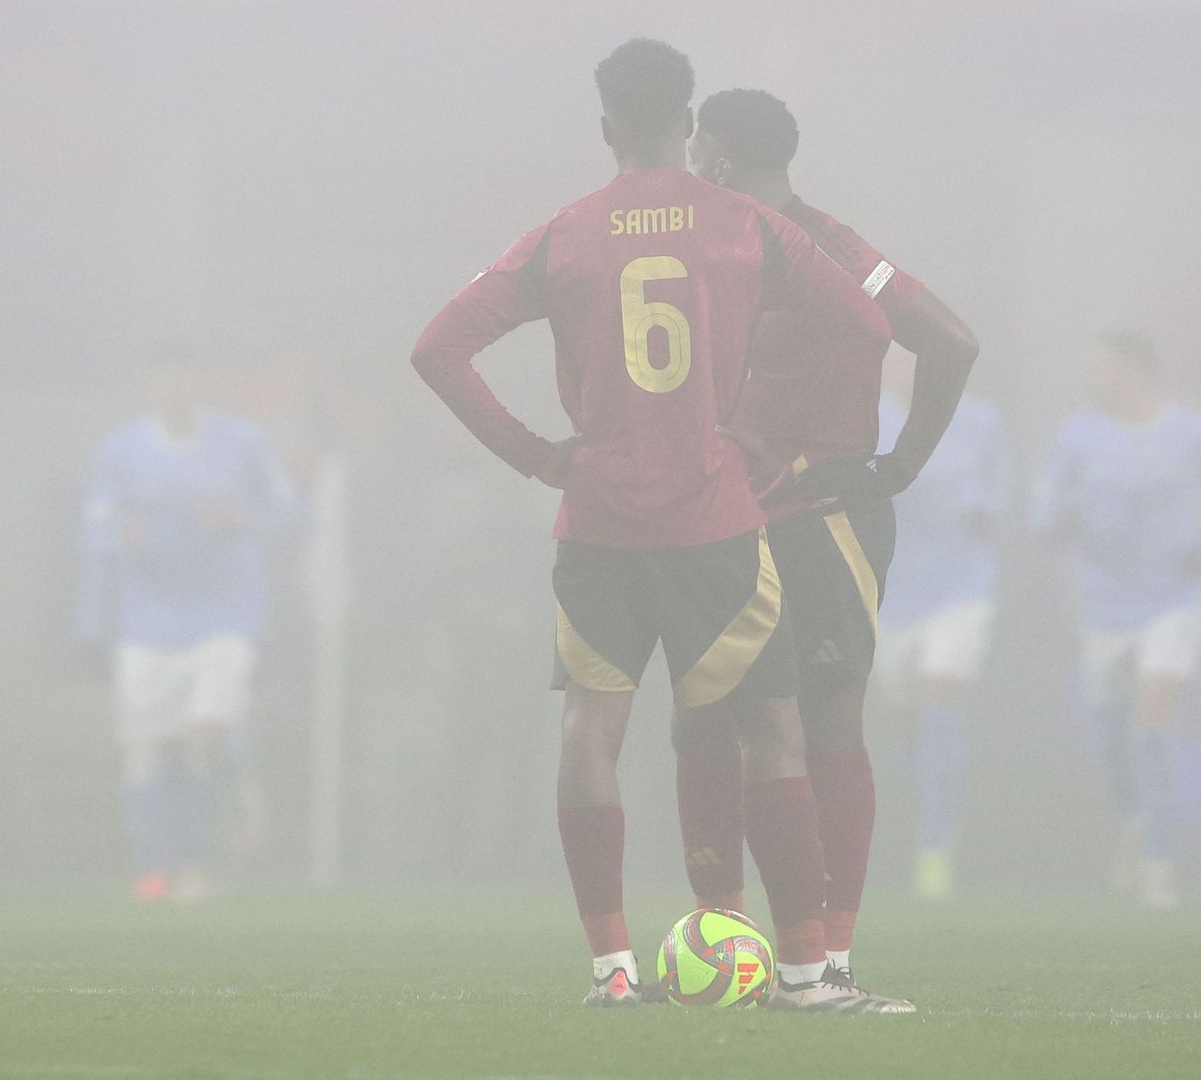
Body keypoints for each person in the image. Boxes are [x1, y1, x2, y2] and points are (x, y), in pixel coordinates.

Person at [410, 40, 892, 1008]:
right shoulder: (748, 225)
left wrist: (536, 454)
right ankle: (806, 977)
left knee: (592, 730)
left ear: (606, 128)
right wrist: (767, 438)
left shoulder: (566, 234)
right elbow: (869, 325)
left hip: (598, 521)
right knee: (773, 733)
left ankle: (613, 973)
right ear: (686, 122)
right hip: (716, 519)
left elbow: (438, 347)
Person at [682, 87, 979, 1009]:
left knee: (778, 727)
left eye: (694, 154)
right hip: (750, 517)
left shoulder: (809, 250)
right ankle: (765, 959)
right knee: (756, 726)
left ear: (718, 160)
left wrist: (894, 468)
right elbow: (952, 342)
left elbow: (951, 343)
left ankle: (807, 961)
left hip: (798, 516)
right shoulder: (783, 249)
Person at [1036, 331, 1201, 909]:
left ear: (1134, 370)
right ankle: (1133, 817)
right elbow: (1047, 495)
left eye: (1102, 367)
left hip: (1174, 601)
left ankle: (1159, 864)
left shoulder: (1193, 433)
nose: (1094, 378)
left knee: (1154, 718)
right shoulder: (1080, 435)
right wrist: (1055, 522)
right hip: (1106, 605)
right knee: (1108, 731)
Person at [77, 353, 297, 904]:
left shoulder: (242, 443)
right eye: (164, 381)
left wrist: (242, 520)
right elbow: (96, 529)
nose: (174, 390)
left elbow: (287, 508)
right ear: (149, 387)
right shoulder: (122, 450)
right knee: (145, 754)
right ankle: (155, 871)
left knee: (205, 736)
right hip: (147, 622)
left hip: (226, 615)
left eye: (184, 380)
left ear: (199, 385)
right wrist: (119, 543)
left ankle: (198, 862)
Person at [871, 356, 1010, 901]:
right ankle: (926, 814)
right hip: (892, 592)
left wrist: (985, 510)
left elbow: (1000, 488)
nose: (901, 372)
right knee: (903, 724)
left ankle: (936, 845)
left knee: (940, 701)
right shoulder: (867, 420)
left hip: (960, 588)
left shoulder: (977, 420)